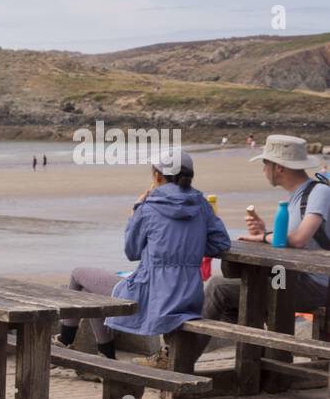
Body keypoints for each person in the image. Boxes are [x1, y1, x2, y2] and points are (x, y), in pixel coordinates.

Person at [56, 149, 230, 365]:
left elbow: (132, 251)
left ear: (157, 176)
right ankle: (105, 358)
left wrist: (135, 212)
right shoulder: (202, 205)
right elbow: (220, 243)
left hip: (152, 295)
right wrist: (188, 243)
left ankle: (66, 342)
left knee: (79, 275)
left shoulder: (149, 208)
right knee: (94, 291)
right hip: (189, 295)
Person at [178, 135, 330, 371]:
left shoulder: (320, 192)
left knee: (220, 287)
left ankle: (179, 364)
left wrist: (263, 237)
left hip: (317, 284)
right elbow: (291, 242)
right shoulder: (298, 197)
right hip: (295, 280)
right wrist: (267, 232)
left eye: (265, 164)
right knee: (237, 290)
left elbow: (299, 240)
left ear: (278, 167)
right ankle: (256, 365)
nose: (263, 169)